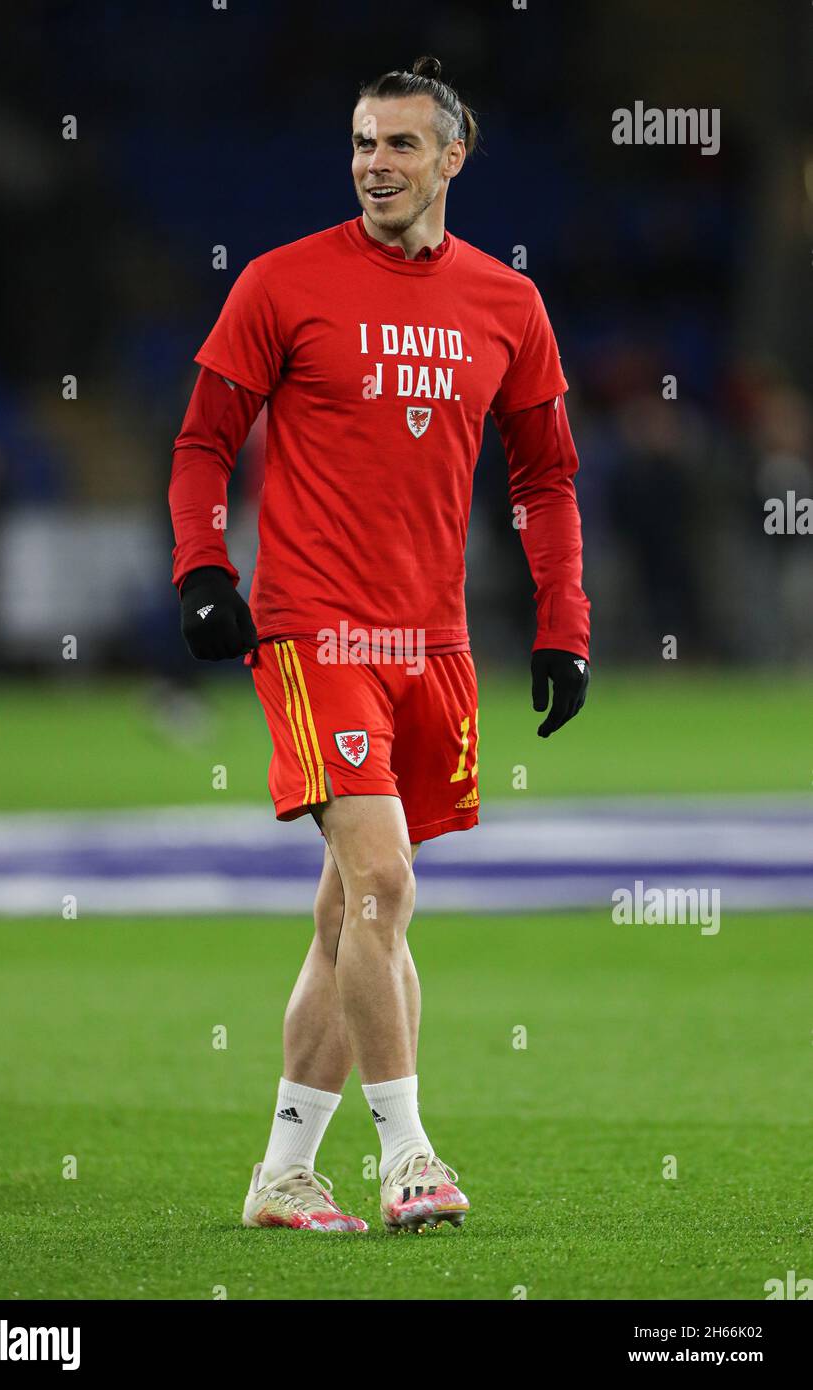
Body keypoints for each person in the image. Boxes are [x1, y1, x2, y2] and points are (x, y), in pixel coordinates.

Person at [168, 56, 590, 1235]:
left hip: (433, 641)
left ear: (453, 157)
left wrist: (561, 625)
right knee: (385, 883)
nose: (374, 166)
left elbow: (546, 476)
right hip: (312, 632)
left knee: (348, 913)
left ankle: (281, 1175)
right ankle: (407, 1156)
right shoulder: (280, 282)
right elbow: (202, 442)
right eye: (361, 143)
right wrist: (204, 570)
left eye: (400, 145)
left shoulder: (507, 305)